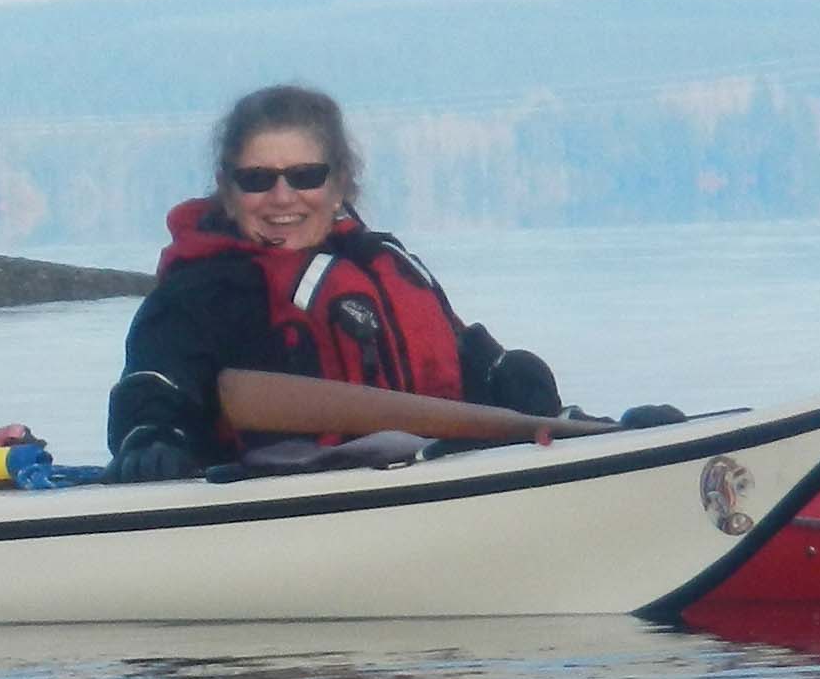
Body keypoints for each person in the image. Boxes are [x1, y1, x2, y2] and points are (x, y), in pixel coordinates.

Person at [102, 86, 567, 479]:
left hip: (424, 469)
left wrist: (520, 388)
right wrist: (150, 437)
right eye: (257, 180)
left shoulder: (385, 263)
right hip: (280, 493)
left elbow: (468, 361)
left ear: (339, 183)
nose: (282, 198)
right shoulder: (199, 293)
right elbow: (153, 386)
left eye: (306, 176)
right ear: (228, 189)